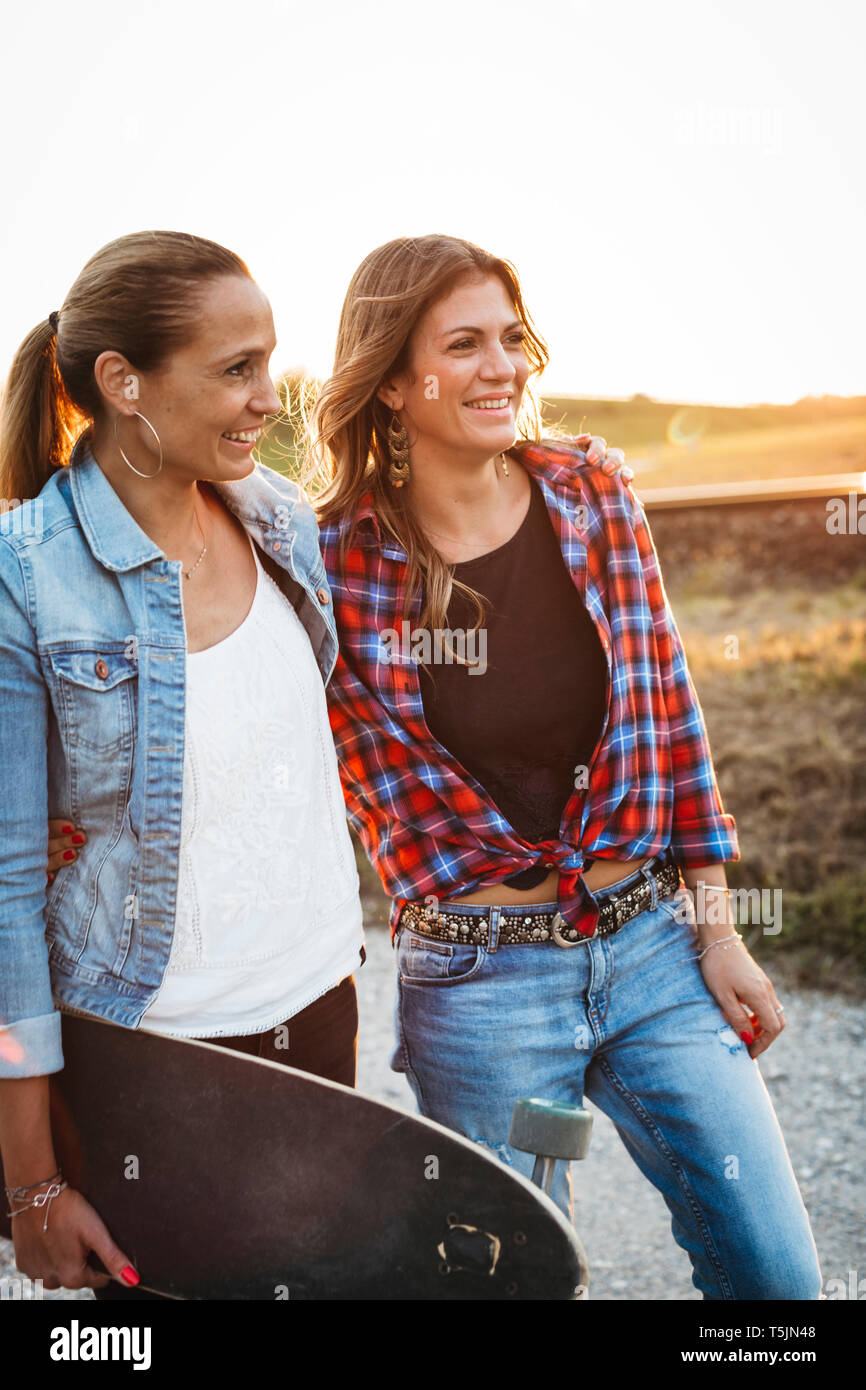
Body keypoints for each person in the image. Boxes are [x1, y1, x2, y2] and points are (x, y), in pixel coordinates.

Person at [307, 233, 823, 1300]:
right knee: (520, 1294)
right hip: (477, 983)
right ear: (394, 382)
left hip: (648, 952)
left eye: (511, 337)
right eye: (464, 343)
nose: (502, 365)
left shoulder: (588, 491)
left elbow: (669, 710)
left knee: (773, 1281)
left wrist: (715, 932)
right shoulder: (329, 562)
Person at [0, 230, 365, 1300]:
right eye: (235, 369)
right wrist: (28, 1182)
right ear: (122, 382)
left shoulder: (279, 519)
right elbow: (6, 893)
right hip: (155, 1058)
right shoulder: (26, 582)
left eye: (270, 360)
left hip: (317, 1002)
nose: (269, 398)